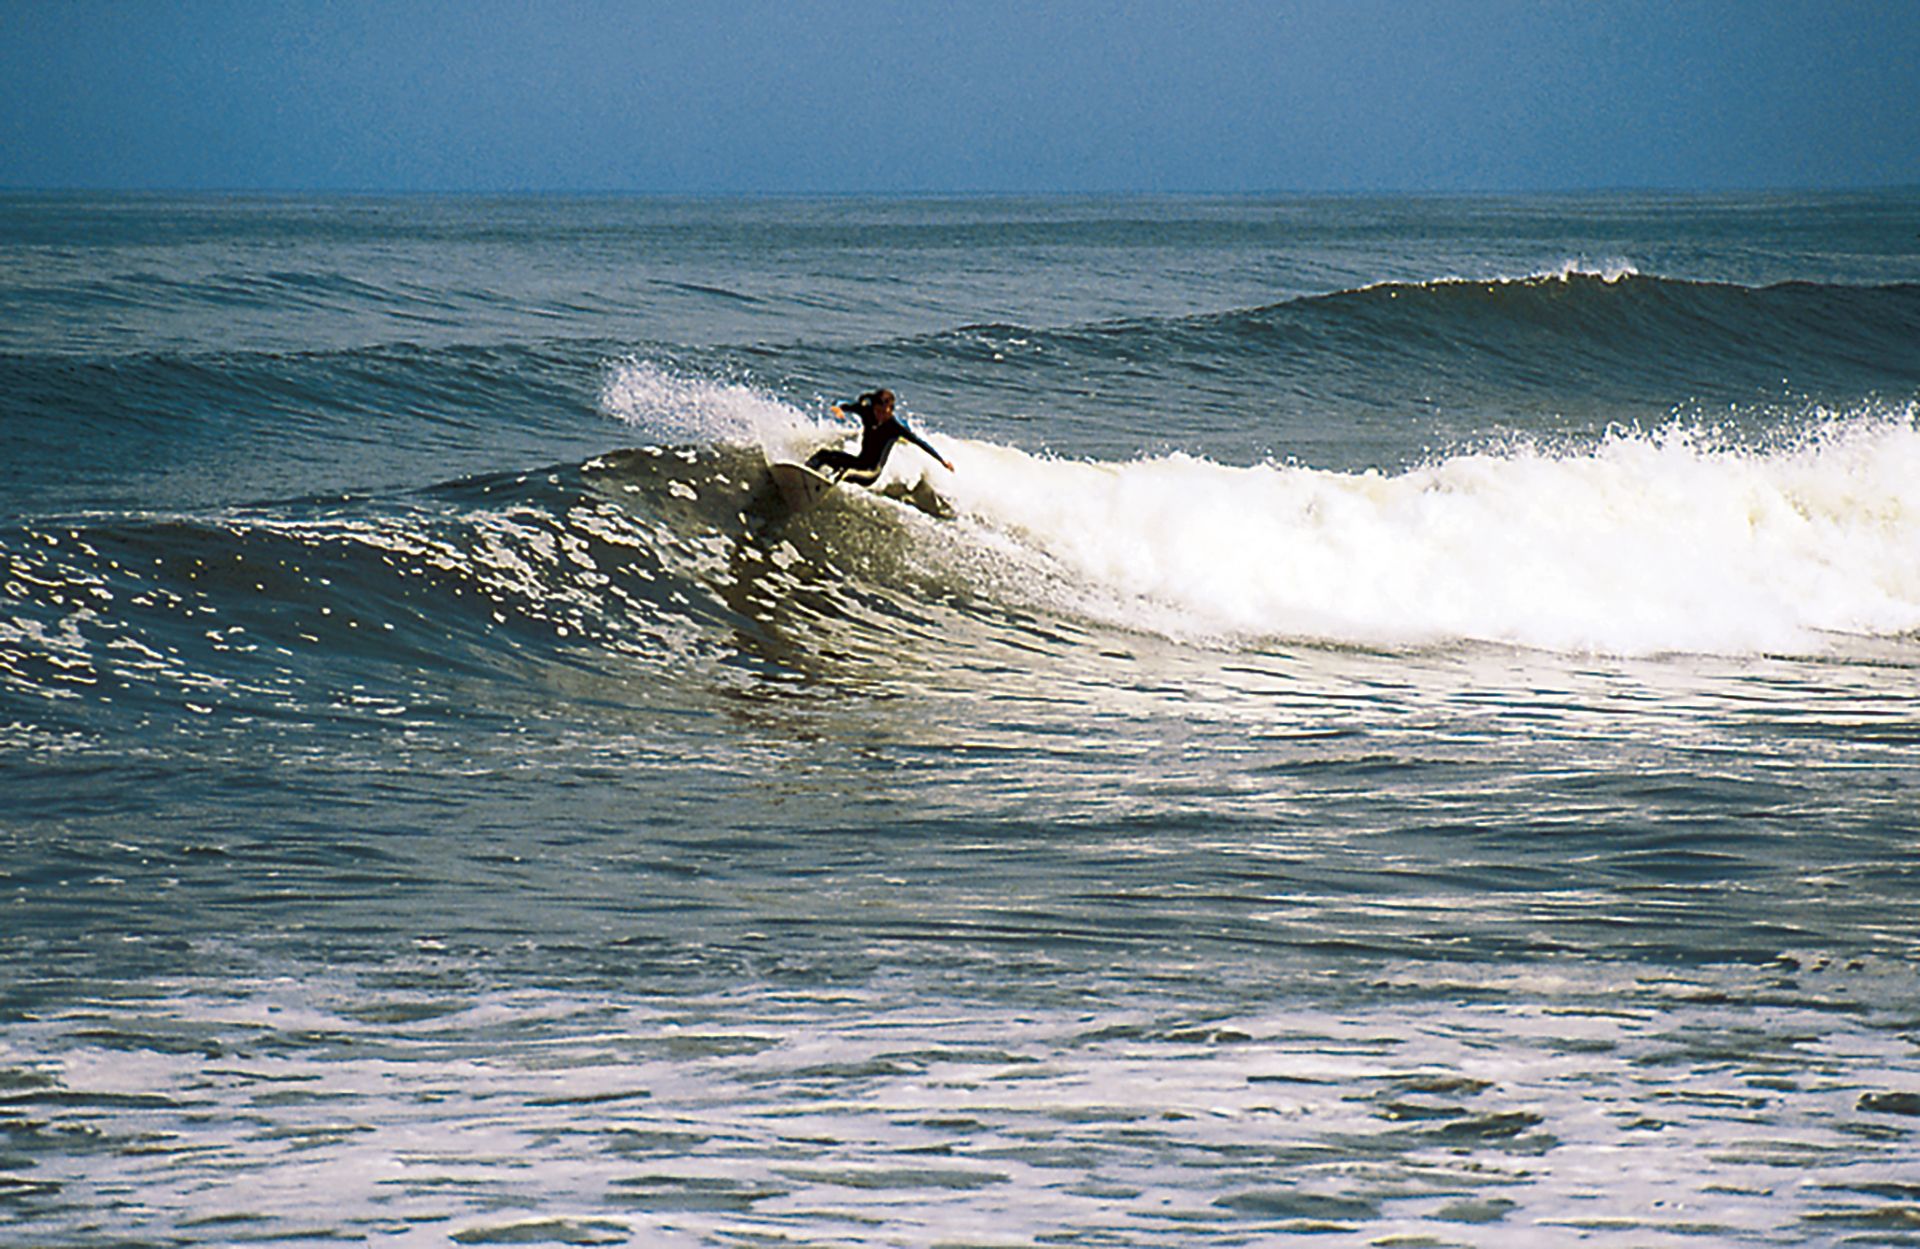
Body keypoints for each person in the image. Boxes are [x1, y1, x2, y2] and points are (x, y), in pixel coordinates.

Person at [806, 388, 954, 485]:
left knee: (845, 473)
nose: (880, 415)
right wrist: (837, 409)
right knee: (823, 455)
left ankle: (821, 487)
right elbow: (839, 403)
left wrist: (942, 461)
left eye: (884, 412)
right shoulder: (867, 412)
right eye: (877, 411)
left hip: (870, 473)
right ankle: (801, 477)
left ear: (891, 410)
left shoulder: (895, 428)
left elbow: (921, 444)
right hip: (859, 462)